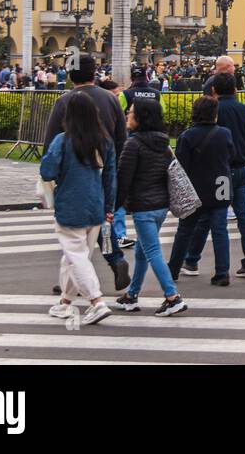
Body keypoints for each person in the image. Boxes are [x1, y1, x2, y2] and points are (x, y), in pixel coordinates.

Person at [42, 57, 130, 290]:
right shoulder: (110, 100)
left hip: (74, 173)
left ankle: (74, 279)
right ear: (95, 74)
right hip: (106, 169)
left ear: (71, 76)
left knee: (73, 232)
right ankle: (115, 259)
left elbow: (51, 142)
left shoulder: (65, 101)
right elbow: (122, 139)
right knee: (101, 222)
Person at [40, 91, 116, 326]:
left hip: (70, 205)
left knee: (76, 256)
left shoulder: (62, 140)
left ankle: (97, 301)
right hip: (96, 205)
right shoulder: (104, 140)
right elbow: (111, 176)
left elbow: (47, 172)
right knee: (75, 256)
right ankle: (65, 302)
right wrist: (109, 207)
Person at [180, 72, 245, 279]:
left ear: (214, 90)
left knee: (209, 217)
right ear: (235, 89)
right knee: (243, 215)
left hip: (219, 174)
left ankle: (191, 260)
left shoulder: (214, 111)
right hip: (242, 169)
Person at [113, 98, 186, 315]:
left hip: (143, 206)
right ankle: (132, 294)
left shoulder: (133, 144)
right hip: (161, 205)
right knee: (142, 250)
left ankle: (172, 297)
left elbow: (123, 179)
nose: (128, 114)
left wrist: (114, 207)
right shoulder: (163, 143)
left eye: (132, 112)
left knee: (152, 251)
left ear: (141, 117)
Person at [168, 96, 236, 286]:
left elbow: (180, 166)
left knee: (185, 230)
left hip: (196, 188)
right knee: (220, 230)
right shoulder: (225, 133)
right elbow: (232, 156)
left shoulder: (187, 136)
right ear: (214, 114)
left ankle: (173, 269)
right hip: (221, 186)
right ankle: (222, 272)